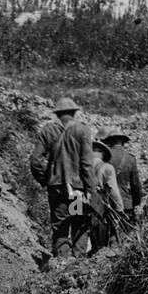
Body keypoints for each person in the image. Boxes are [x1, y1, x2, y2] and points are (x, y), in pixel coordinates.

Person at [29, 96, 97, 262]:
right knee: (79, 223)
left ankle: (62, 263)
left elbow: (35, 160)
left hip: (57, 188)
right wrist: (91, 190)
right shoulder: (82, 130)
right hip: (76, 189)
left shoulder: (47, 131)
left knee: (60, 226)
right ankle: (78, 263)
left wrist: (46, 179)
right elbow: (87, 164)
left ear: (57, 114)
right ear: (74, 113)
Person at [88, 135, 126, 251]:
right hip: (99, 208)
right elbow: (113, 191)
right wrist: (119, 209)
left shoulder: (81, 166)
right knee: (101, 245)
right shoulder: (107, 167)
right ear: (103, 154)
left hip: (79, 205)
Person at [100, 126, 144, 226]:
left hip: (106, 202)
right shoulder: (130, 158)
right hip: (125, 203)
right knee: (123, 234)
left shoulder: (103, 157)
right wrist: (136, 203)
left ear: (109, 142)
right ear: (123, 142)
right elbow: (135, 184)